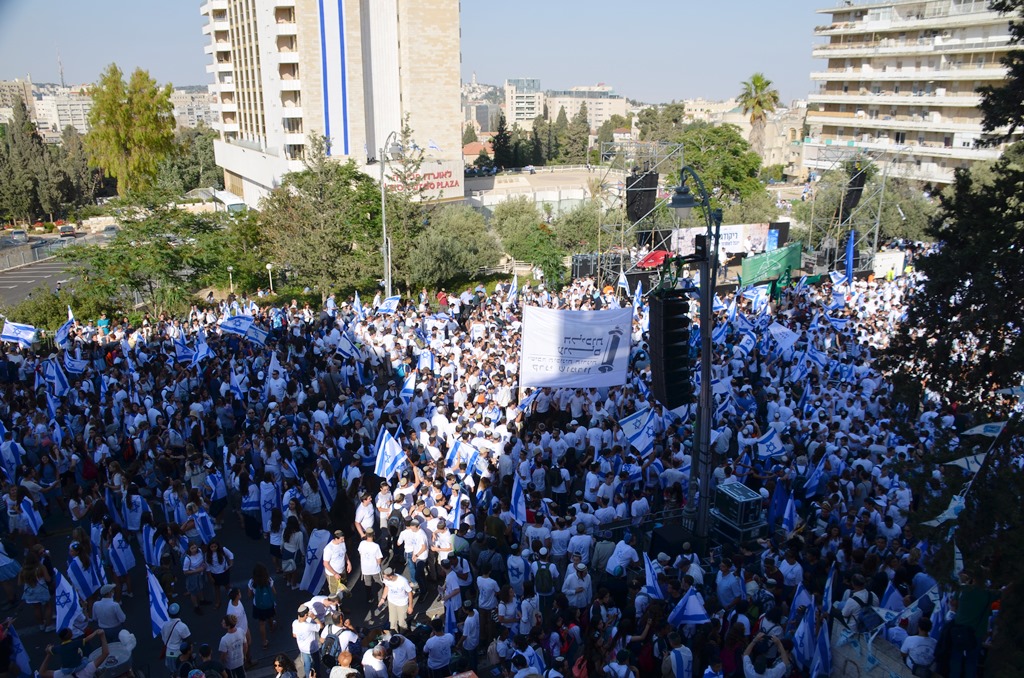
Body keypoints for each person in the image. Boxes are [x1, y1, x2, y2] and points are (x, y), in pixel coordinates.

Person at [39, 628, 109, 678]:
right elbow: (105, 653)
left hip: (66, 671)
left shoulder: (61, 674)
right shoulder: (87, 669)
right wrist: (102, 635)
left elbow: (42, 673)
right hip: (85, 669)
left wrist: (48, 654)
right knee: (87, 659)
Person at [249, 563, 277, 650]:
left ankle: (264, 641)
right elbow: (274, 592)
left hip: (258, 606)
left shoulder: (252, 582)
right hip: (269, 604)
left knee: (261, 624)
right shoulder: (268, 580)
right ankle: (272, 627)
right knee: (270, 616)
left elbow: (249, 595)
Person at [379, 567, 414, 632]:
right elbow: (387, 587)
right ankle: (394, 637)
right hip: (392, 602)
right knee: (392, 623)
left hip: (402, 604)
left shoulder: (403, 581)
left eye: (386, 577)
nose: (384, 579)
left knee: (402, 623)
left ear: (391, 577)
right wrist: (383, 598)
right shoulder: (386, 580)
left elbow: (410, 592)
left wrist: (410, 606)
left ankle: (403, 637)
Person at [161, 603, 192, 676]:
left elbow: (163, 638)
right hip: (179, 654)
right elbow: (188, 640)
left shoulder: (164, 625)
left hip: (168, 653)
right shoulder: (182, 626)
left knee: (173, 673)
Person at [293, 604, 324, 678]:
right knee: (317, 664)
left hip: (302, 648)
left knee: (307, 665)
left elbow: (294, 635)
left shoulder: (294, 623)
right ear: (306, 615)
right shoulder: (308, 626)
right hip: (313, 649)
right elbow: (321, 626)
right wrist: (314, 617)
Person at [322, 530, 351, 596]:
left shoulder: (342, 543)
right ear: (336, 539)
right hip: (332, 575)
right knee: (334, 592)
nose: (343, 540)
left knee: (343, 586)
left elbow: (344, 553)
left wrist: (348, 562)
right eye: (341, 539)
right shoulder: (329, 549)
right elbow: (325, 563)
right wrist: (335, 574)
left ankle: (341, 599)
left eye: (343, 538)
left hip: (342, 571)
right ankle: (337, 605)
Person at [219, 614, 248, 678]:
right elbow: (245, 645)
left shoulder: (224, 639)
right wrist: (244, 655)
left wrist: (222, 662)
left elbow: (224, 655)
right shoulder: (241, 631)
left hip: (230, 665)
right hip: (240, 661)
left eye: (223, 622)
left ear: (228, 626)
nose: (222, 623)